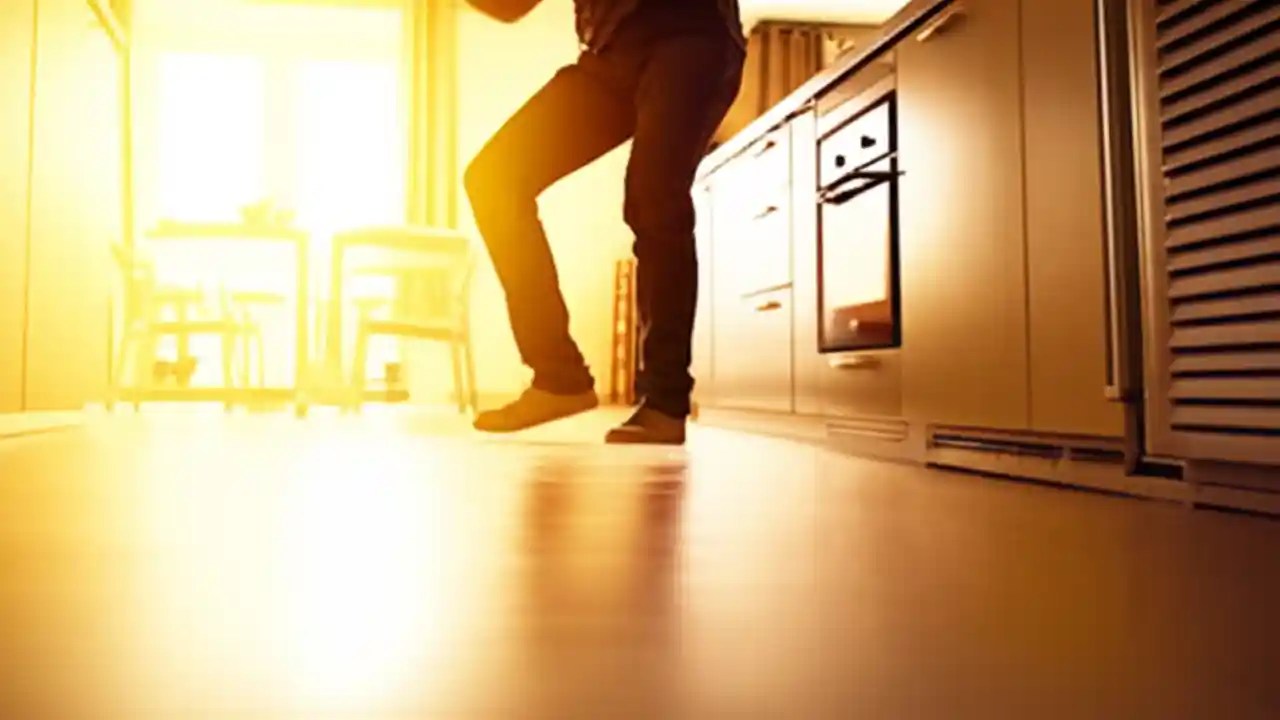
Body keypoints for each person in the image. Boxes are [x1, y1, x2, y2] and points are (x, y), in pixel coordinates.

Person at [465, 0, 745, 445]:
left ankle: (666, 400)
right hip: (608, 57)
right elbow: (511, 7)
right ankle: (559, 377)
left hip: (689, 32)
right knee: (493, 178)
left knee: (654, 196)